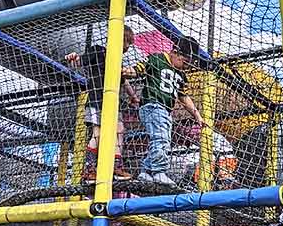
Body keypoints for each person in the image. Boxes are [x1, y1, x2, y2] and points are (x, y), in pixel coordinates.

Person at [64, 26, 140, 180]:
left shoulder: (117, 59)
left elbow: (123, 80)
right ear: (119, 38)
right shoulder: (98, 50)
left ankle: (116, 166)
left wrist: (133, 96)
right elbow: (80, 61)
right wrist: (73, 58)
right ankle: (90, 169)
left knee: (119, 129)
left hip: (113, 102)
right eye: (127, 42)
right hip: (96, 99)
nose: (127, 47)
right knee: (98, 133)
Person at [132, 37, 203, 188]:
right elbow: (138, 69)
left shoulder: (181, 75)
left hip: (166, 110)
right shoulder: (157, 59)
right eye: (185, 62)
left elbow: (183, 96)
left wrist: (196, 115)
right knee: (161, 138)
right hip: (153, 105)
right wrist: (128, 72)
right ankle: (158, 171)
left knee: (162, 139)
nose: (186, 67)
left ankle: (146, 171)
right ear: (175, 53)